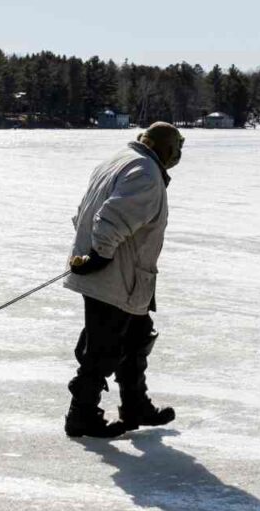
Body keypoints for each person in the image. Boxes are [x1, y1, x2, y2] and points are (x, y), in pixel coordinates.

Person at [63, 122, 184, 438]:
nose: (179, 155)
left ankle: (135, 405)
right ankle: (81, 415)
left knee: (136, 339)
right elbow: (113, 215)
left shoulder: (119, 160)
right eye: (177, 148)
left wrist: (89, 254)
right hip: (114, 276)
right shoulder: (144, 172)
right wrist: (99, 256)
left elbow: (82, 214)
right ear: (163, 147)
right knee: (102, 349)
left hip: (126, 275)